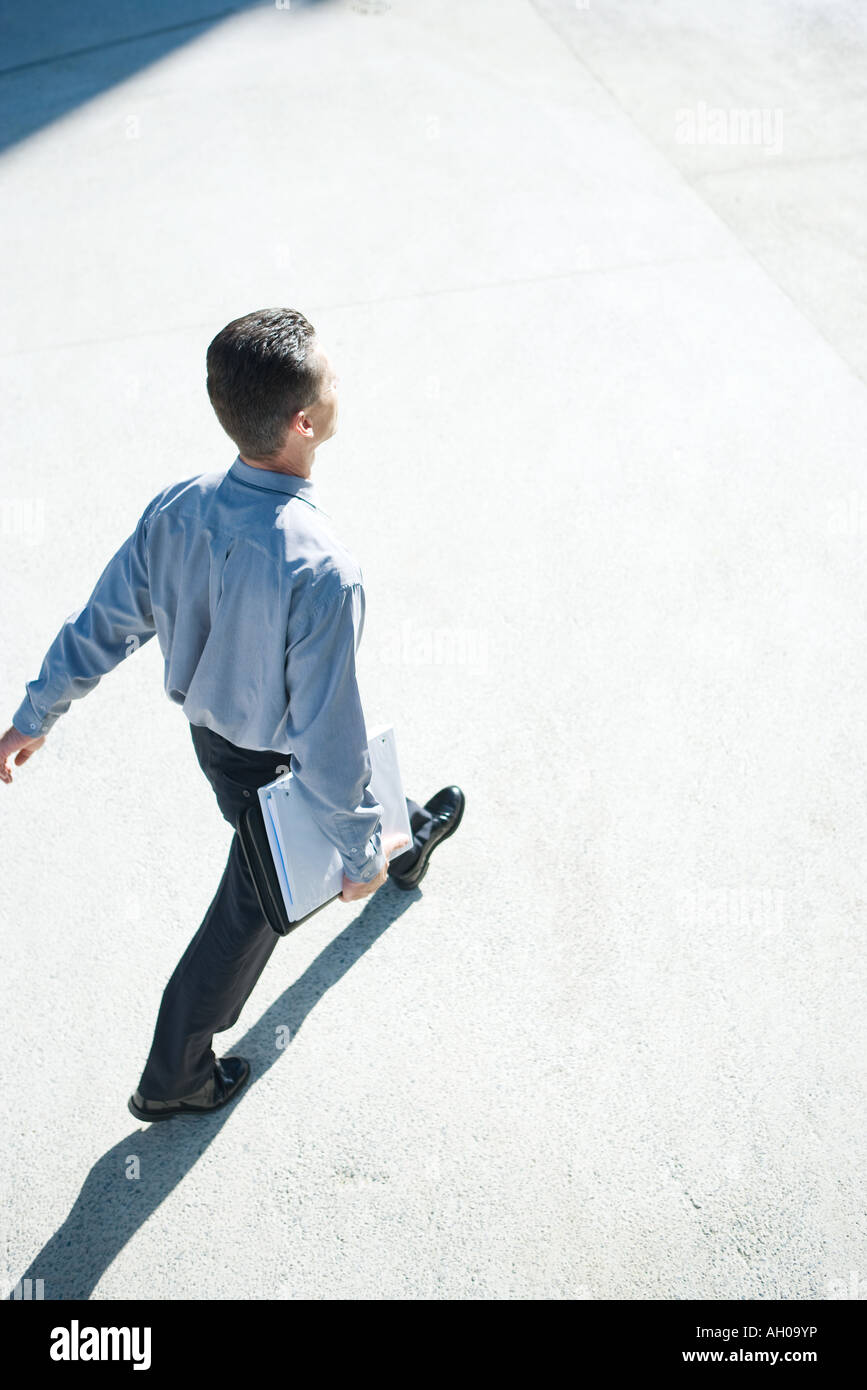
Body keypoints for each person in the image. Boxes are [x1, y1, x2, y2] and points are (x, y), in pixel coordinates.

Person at [0, 307, 465, 1122]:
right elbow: (325, 743)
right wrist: (357, 853)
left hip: (214, 744)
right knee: (248, 913)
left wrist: (37, 713)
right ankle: (174, 1077)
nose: (338, 382)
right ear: (305, 422)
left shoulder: (177, 506)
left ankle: (409, 831)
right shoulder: (324, 570)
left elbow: (105, 623)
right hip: (273, 765)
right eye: (331, 376)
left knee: (316, 816)